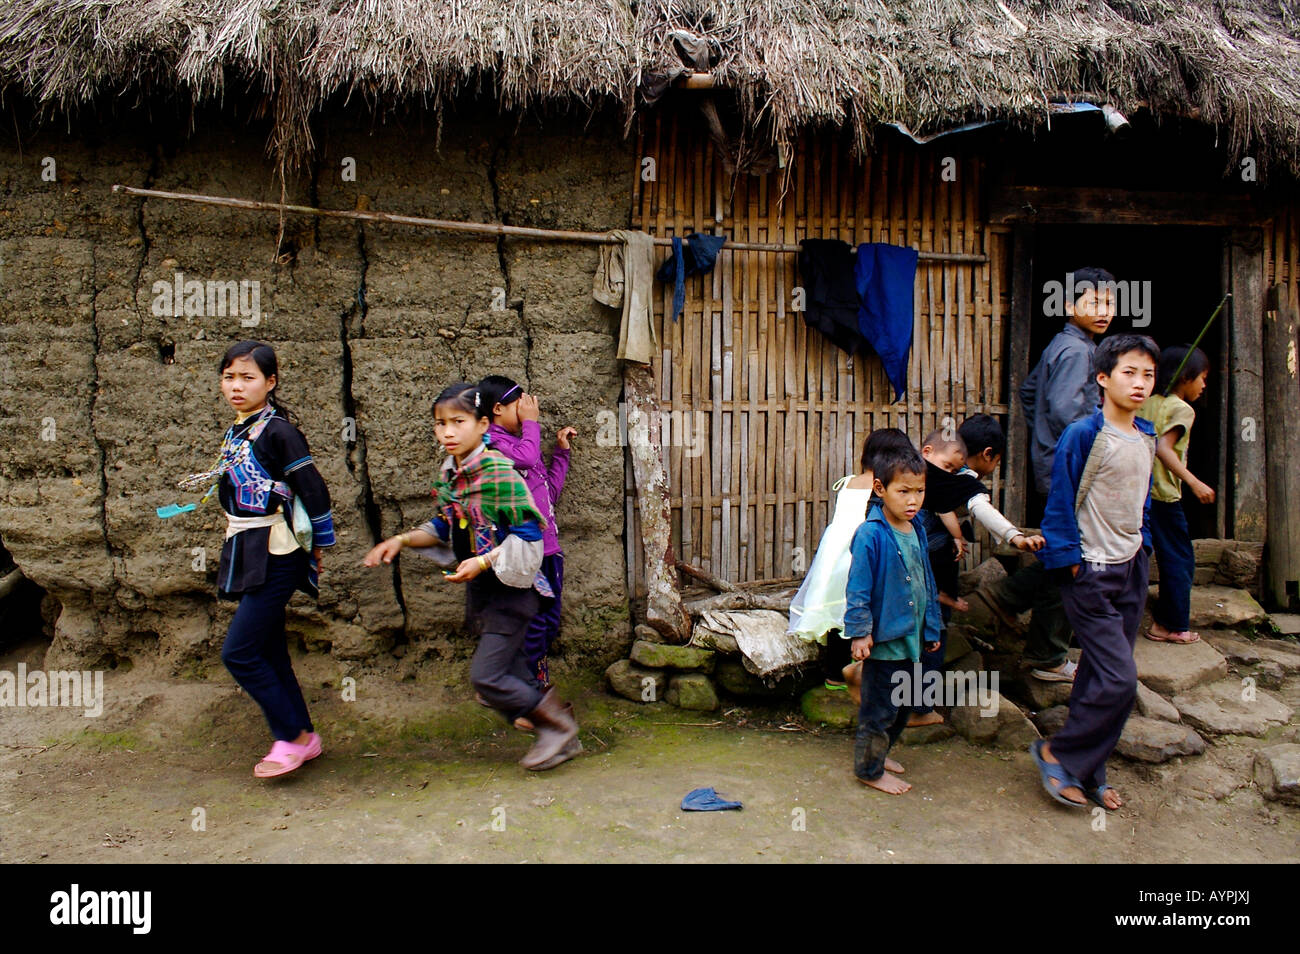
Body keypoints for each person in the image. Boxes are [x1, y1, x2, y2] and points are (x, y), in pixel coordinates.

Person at [362, 383, 581, 771]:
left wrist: (482, 562)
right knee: (511, 671)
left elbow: (529, 534)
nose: (447, 432)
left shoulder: (499, 473)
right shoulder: (453, 473)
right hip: (484, 594)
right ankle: (554, 729)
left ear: (483, 424)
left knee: (486, 677)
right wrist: (399, 540)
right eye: (440, 423)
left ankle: (558, 727)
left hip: (512, 594)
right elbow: (443, 525)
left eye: (458, 422)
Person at [176, 341, 336, 778]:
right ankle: (304, 734)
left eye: (248, 377)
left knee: (239, 653)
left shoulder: (279, 432)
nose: (236, 386)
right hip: (247, 547)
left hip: (278, 550)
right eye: (229, 377)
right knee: (268, 648)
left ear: (271, 382)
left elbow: (313, 489)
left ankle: (292, 738)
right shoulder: (240, 429)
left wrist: (318, 547)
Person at [1031, 335, 1158, 812]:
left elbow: (1141, 500)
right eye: (1129, 372)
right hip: (1089, 572)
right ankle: (1057, 751)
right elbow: (1059, 501)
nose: (1140, 383)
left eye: (1147, 374)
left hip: (1130, 569)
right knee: (1122, 680)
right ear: (1103, 378)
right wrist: (1069, 562)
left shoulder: (1145, 436)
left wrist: (1142, 543)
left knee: (1098, 677)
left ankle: (1088, 771)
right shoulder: (1084, 434)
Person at [844, 446, 943, 795]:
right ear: (880, 489)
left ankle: (879, 755)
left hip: (912, 640)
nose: (913, 500)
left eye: (919, 491)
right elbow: (857, 589)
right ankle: (869, 770)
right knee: (880, 712)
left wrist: (931, 626)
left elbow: (926, 581)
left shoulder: (916, 529)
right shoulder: (871, 535)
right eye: (904, 491)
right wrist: (859, 633)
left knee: (903, 710)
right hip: (885, 643)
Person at [788, 428, 915, 691]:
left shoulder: (849, 482)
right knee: (872, 610)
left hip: (835, 558)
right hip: (865, 555)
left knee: (837, 613)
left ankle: (834, 676)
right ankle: (868, 675)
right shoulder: (884, 488)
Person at [477, 375, 576, 688]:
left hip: (549, 550)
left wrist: (561, 453)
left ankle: (534, 678)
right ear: (497, 409)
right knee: (532, 622)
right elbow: (527, 457)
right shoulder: (494, 445)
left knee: (548, 620)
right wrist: (531, 422)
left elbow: (549, 492)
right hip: (524, 554)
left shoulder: (521, 446)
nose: (525, 412)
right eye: (518, 406)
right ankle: (525, 683)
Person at [1137, 346, 1214, 644]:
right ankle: (1170, 625)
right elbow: (1163, 448)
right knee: (1180, 560)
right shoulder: (1182, 409)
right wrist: (1195, 483)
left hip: (1139, 493)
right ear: (1185, 376)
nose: (1204, 385)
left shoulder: (1146, 403)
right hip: (1164, 496)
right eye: (1202, 378)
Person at [909, 428, 970, 727]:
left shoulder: (908, 481)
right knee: (934, 636)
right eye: (947, 466)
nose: (949, 474)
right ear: (927, 452)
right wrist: (957, 537)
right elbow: (945, 510)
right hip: (925, 575)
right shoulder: (929, 486)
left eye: (954, 471)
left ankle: (909, 706)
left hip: (913, 579)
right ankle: (920, 709)